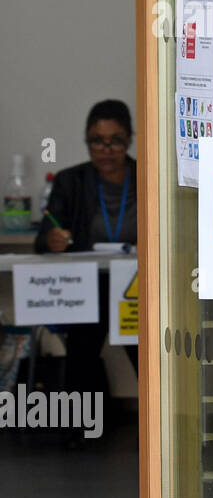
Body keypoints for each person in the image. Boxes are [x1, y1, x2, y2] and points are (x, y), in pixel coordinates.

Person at [34, 99, 140, 401]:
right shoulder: (70, 181)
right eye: (97, 141)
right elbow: (41, 239)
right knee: (80, 352)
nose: (106, 150)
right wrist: (52, 239)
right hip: (88, 285)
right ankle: (76, 430)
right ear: (87, 141)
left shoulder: (147, 176)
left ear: (129, 139)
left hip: (135, 283)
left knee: (147, 355)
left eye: (115, 141)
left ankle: (154, 435)